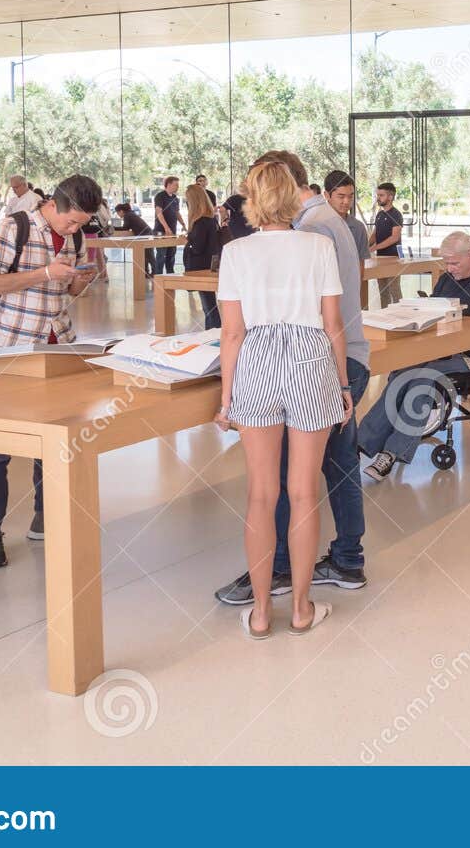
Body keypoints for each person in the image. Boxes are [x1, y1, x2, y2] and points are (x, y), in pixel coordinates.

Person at [214, 151, 372, 604]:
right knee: (304, 493)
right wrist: (343, 386)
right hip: (311, 362)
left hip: (257, 362)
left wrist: (227, 402)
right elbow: (332, 326)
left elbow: (232, 333)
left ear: (251, 199)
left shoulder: (235, 252)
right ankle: (302, 608)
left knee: (261, 494)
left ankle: (262, 611)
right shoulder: (317, 245)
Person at [0, 174, 105, 568]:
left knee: (56, 438)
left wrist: (82, 280)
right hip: (11, 346)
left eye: (82, 223)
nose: (76, 229)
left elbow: (66, 293)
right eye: (73, 222)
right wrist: (44, 273)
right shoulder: (13, 226)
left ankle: (45, 516)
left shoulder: (77, 239)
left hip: (58, 345)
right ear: (55, 204)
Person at [359, 231, 470, 480]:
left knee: (423, 377)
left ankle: (392, 453)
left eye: (455, 263)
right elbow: (433, 313)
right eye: (446, 263)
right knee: (401, 371)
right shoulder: (446, 280)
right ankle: (363, 442)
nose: (450, 268)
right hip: (439, 350)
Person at [183, 182, 223, 330]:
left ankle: (213, 336)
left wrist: (188, 241)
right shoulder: (211, 219)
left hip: (200, 266)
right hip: (211, 264)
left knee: (209, 307)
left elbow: (198, 247)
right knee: (210, 305)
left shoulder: (200, 222)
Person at [369, 182, 404, 307]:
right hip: (380, 258)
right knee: (383, 291)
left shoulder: (396, 214)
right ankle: (384, 316)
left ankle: (401, 316)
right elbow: (375, 233)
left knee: (394, 290)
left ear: (390, 197)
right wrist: (366, 246)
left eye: (381, 195)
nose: (378, 198)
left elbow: (395, 237)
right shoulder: (379, 214)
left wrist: (375, 247)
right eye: (378, 195)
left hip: (394, 258)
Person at [323, 171, 370, 261]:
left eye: (350, 197)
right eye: (341, 196)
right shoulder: (316, 225)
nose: (346, 201)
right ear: (326, 195)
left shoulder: (358, 227)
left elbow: (360, 265)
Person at [152, 175, 181, 279]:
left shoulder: (175, 198)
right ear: (168, 184)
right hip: (160, 231)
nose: (178, 187)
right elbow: (159, 212)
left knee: (171, 254)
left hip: (172, 231)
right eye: (176, 185)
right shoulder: (160, 196)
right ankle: (158, 277)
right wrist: (166, 227)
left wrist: (183, 224)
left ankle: (170, 276)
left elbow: (177, 213)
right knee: (161, 255)